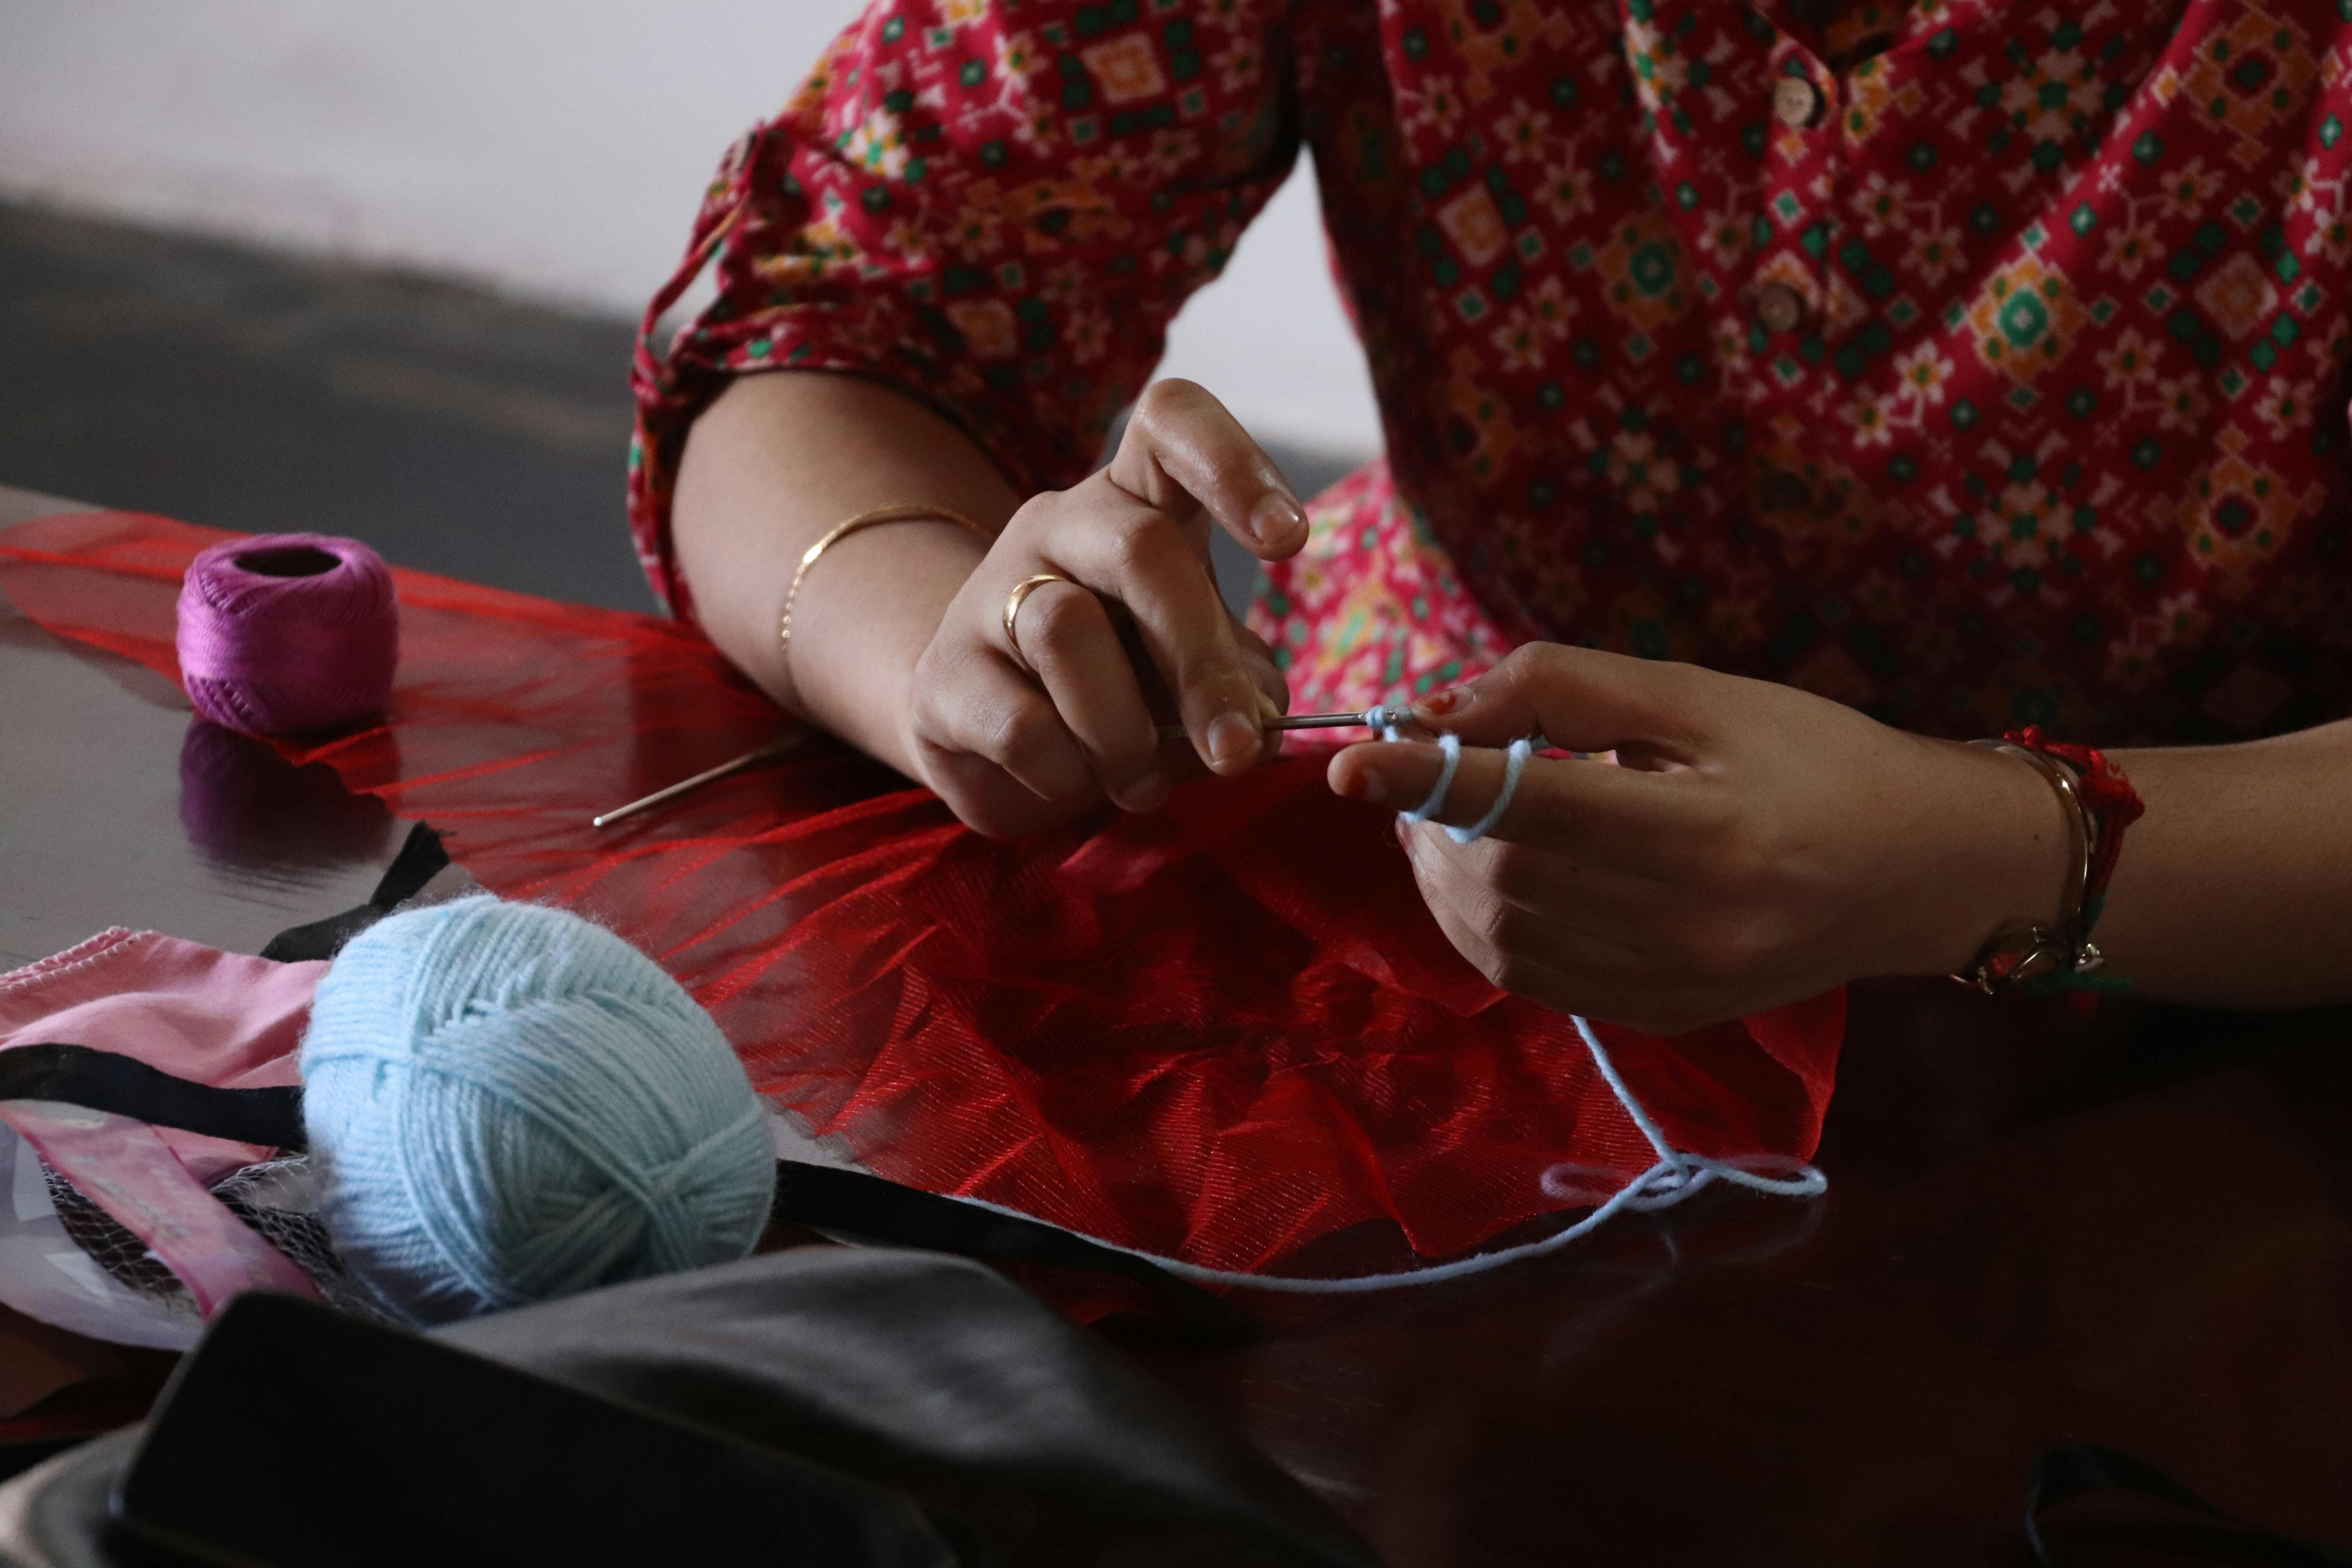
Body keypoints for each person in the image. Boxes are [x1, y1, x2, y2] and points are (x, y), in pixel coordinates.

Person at [631, 0, 2352, 1033]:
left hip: (2218, 987)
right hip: (1419, 907)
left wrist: (1986, 852)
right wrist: (944, 639)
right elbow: (832, 329)